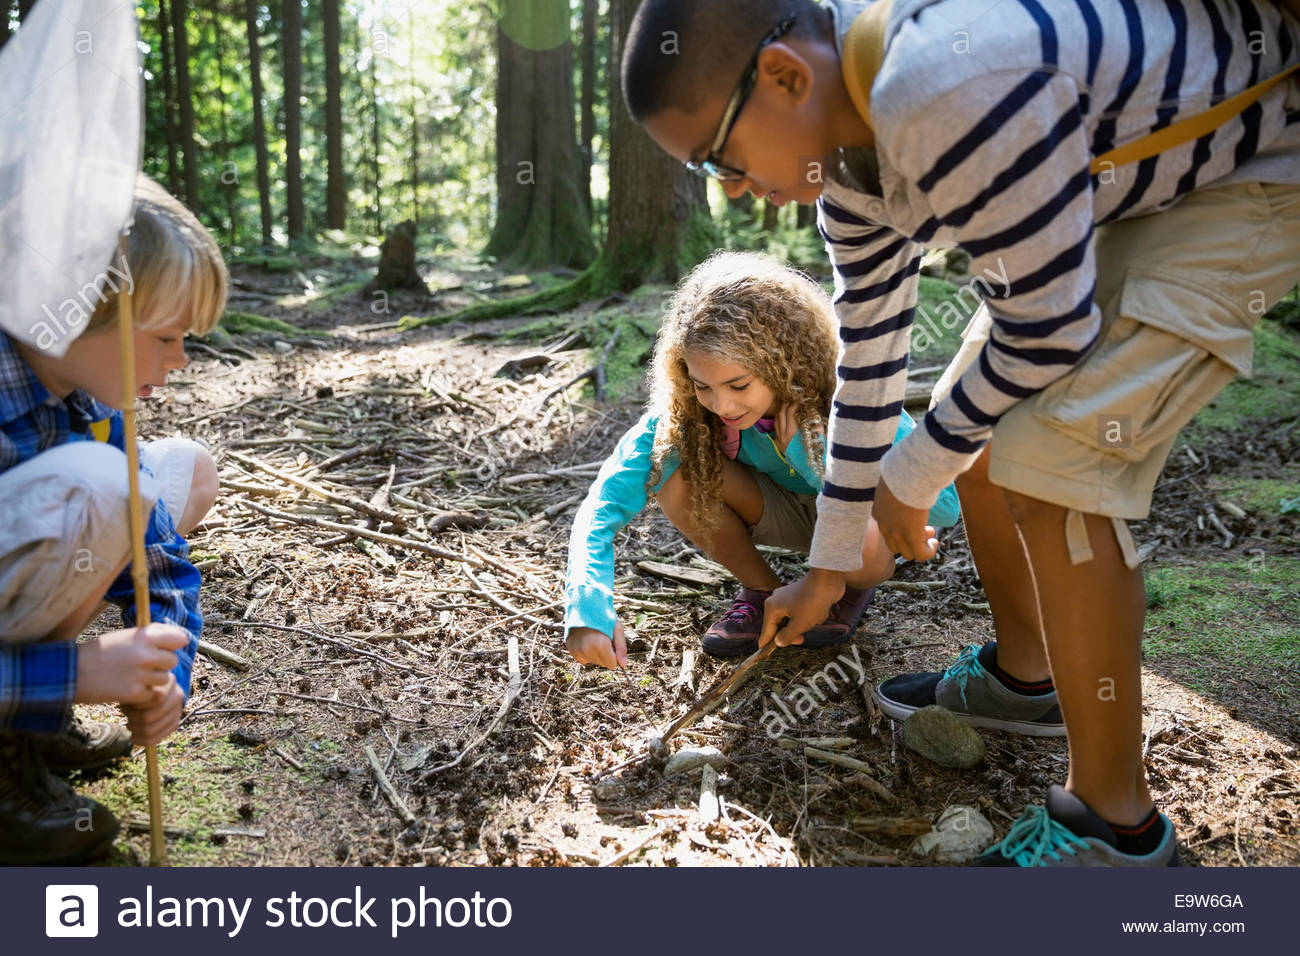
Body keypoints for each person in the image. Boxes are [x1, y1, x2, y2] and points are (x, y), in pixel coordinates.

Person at [623, 0, 1300, 865]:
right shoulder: (847, 177)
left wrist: (907, 481)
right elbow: (867, 359)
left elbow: (1048, 331)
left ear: (786, 75)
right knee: (972, 427)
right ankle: (1029, 677)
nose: (729, 187)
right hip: (1119, 187)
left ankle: (1114, 826)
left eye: (720, 156)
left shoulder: (942, 80)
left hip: (1250, 171)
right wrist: (827, 569)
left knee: (1053, 456)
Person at [565, 251, 959, 668]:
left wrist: (810, 457)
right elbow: (603, 502)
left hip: (862, 529)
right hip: (781, 511)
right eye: (703, 386)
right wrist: (588, 608)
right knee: (674, 474)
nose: (722, 405)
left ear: (784, 359)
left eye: (738, 384)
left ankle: (839, 587)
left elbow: (946, 506)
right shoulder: (691, 412)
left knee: (864, 542)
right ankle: (763, 592)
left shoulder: (849, 391)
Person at [0, 175, 228, 864]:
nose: (181, 360)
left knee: (184, 468)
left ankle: (33, 723)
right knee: (103, 484)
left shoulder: (93, 400)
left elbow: (160, 565)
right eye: (164, 336)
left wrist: (172, 671)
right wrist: (71, 673)